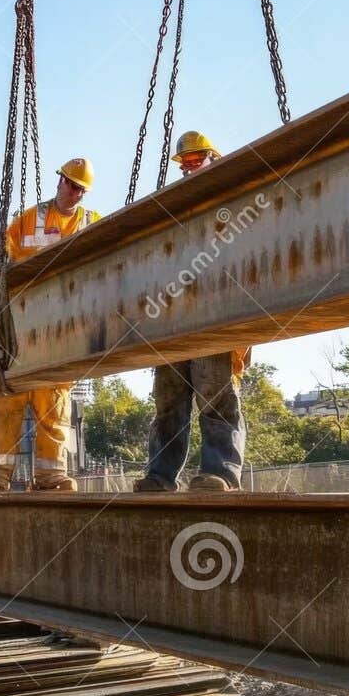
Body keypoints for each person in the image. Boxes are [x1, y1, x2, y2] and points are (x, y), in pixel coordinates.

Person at [133, 132, 250, 493]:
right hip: (175, 317)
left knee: (215, 394)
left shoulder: (234, 198)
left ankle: (221, 473)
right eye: (184, 165)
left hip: (217, 314)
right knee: (168, 400)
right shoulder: (178, 205)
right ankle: (161, 475)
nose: (187, 170)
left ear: (214, 158)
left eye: (195, 162)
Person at [0, 158, 101, 493]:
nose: (73, 192)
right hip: (20, 327)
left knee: (54, 405)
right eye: (69, 184)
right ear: (59, 181)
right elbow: (2, 259)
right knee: (6, 401)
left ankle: (50, 477)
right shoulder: (29, 220)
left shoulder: (91, 222)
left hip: (62, 332)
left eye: (80, 189)